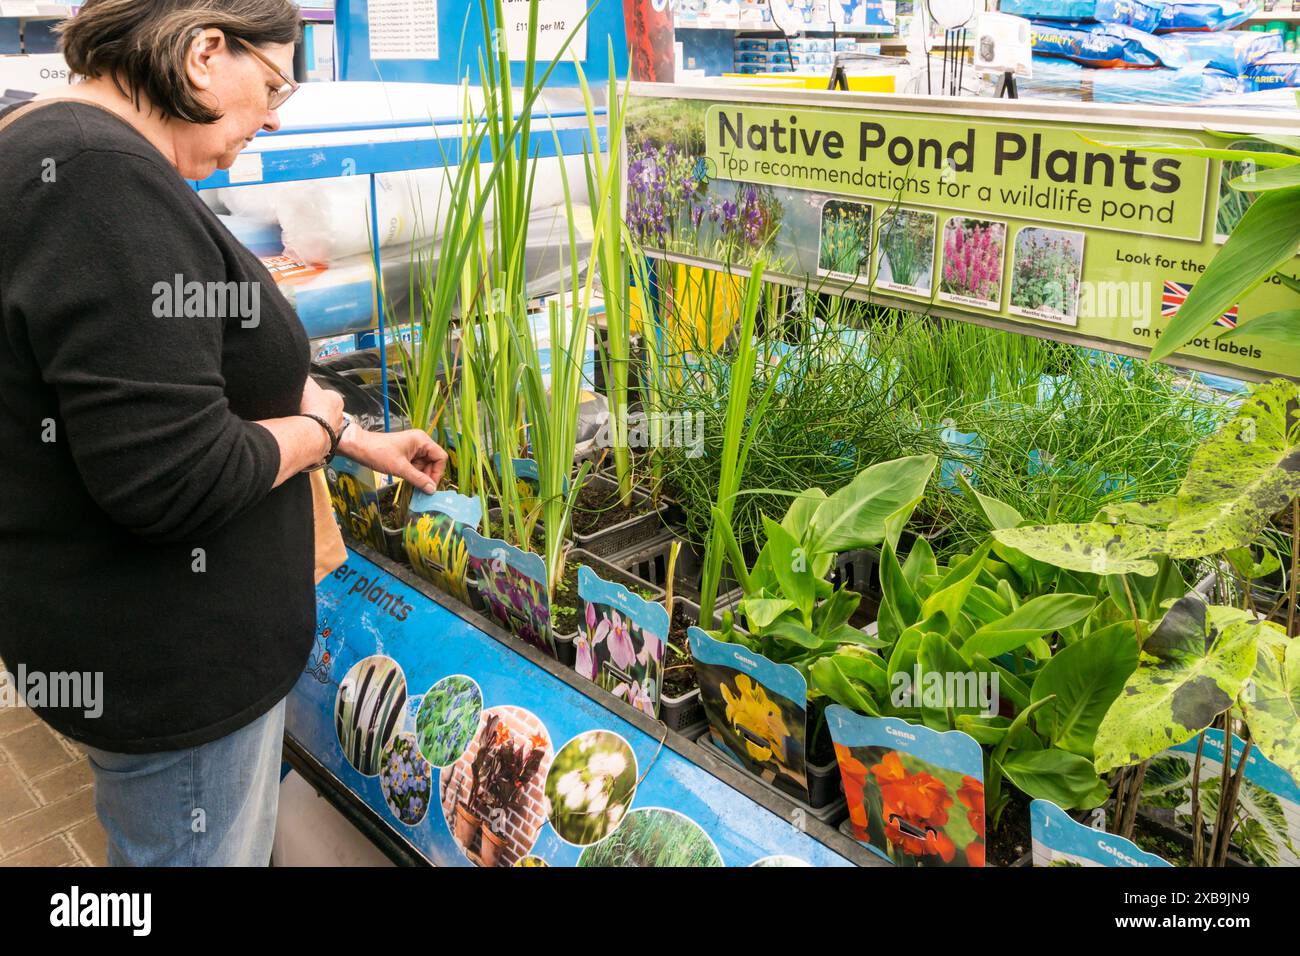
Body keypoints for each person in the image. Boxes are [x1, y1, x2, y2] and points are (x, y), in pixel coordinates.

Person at [0, 0, 446, 865]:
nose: (276, 113)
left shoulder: (51, 142)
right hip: (177, 673)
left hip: (125, 647)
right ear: (205, 51)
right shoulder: (99, 183)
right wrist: (316, 434)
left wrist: (352, 434)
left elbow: (176, 379)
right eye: (273, 82)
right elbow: (175, 478)